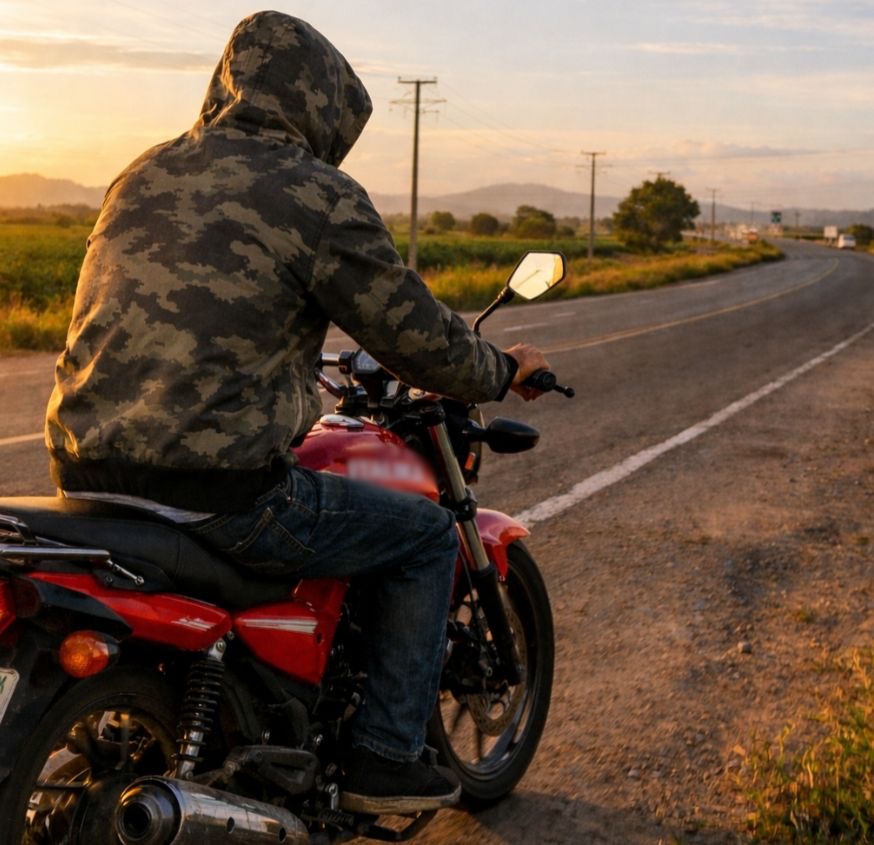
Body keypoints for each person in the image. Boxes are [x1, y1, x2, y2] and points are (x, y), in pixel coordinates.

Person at [44, 11, 549, 815]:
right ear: (321, 105)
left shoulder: (142, 173)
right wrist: (499, 368)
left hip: (83, 471)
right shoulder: (314, 194)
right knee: (423, 537)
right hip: (218, 490)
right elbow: (414, 335)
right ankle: (385, 755)